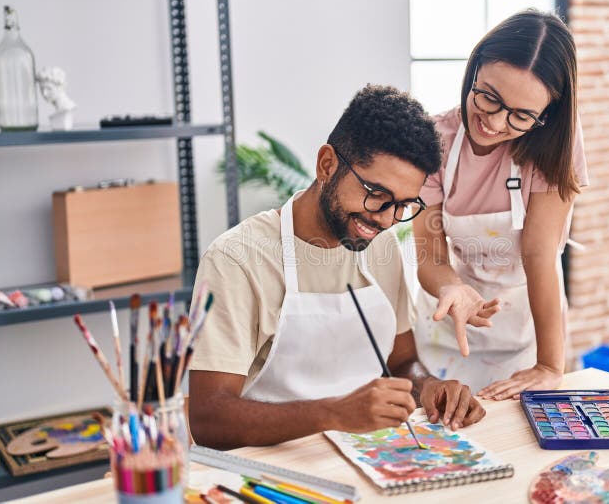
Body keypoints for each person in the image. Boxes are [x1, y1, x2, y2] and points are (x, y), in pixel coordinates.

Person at [188, 85, 486, 450]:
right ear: (327, 164)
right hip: (266, 473)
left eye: (403, 205)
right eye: (376, 195)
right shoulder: (236, 259)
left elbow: (403, 361)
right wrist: (331, 414)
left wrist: (429, 387)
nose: (387, 219)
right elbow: (208, 419)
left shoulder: (382, 248)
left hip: (365, 456)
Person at [413, 9, 589, 399]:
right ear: (474, 69)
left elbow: (540, 255)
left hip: (526, 334)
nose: (494, 121)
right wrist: (452, 289)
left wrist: (548, 365)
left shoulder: (554, 144)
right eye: (489, 97)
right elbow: (429, 253)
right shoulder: (436, 139)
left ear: (546, 115)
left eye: (522, 115)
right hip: (447, 327)